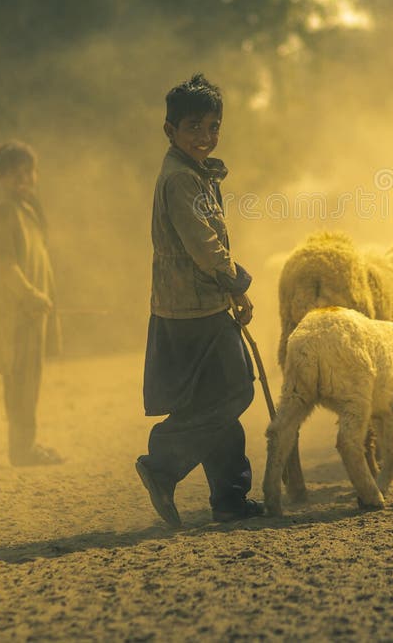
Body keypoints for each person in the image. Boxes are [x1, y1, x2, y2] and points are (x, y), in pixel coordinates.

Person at [136, 73, 262, 527]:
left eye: (212, 127)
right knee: (233, 392)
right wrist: (237, 283)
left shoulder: (198, 175)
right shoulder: (179, 181)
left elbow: (211, 243)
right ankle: (163, 461)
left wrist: (230, 288)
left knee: (217, 401)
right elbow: (204, 245)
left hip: (200, 302)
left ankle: (229, 499)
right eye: (193, 127)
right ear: (169, 131)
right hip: (192, 309)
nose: (204, 137)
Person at [0, 141, 63, 467]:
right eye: (15, 173)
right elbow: (3, 266)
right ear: (1, 177)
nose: (24, 178)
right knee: (19, 381)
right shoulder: (5, 211)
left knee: (30, 380)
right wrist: (32, 294)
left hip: (33, 314)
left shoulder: (27, 210)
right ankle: (22, 449)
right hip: (17, 313)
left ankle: (26, 443)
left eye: (29, 171)